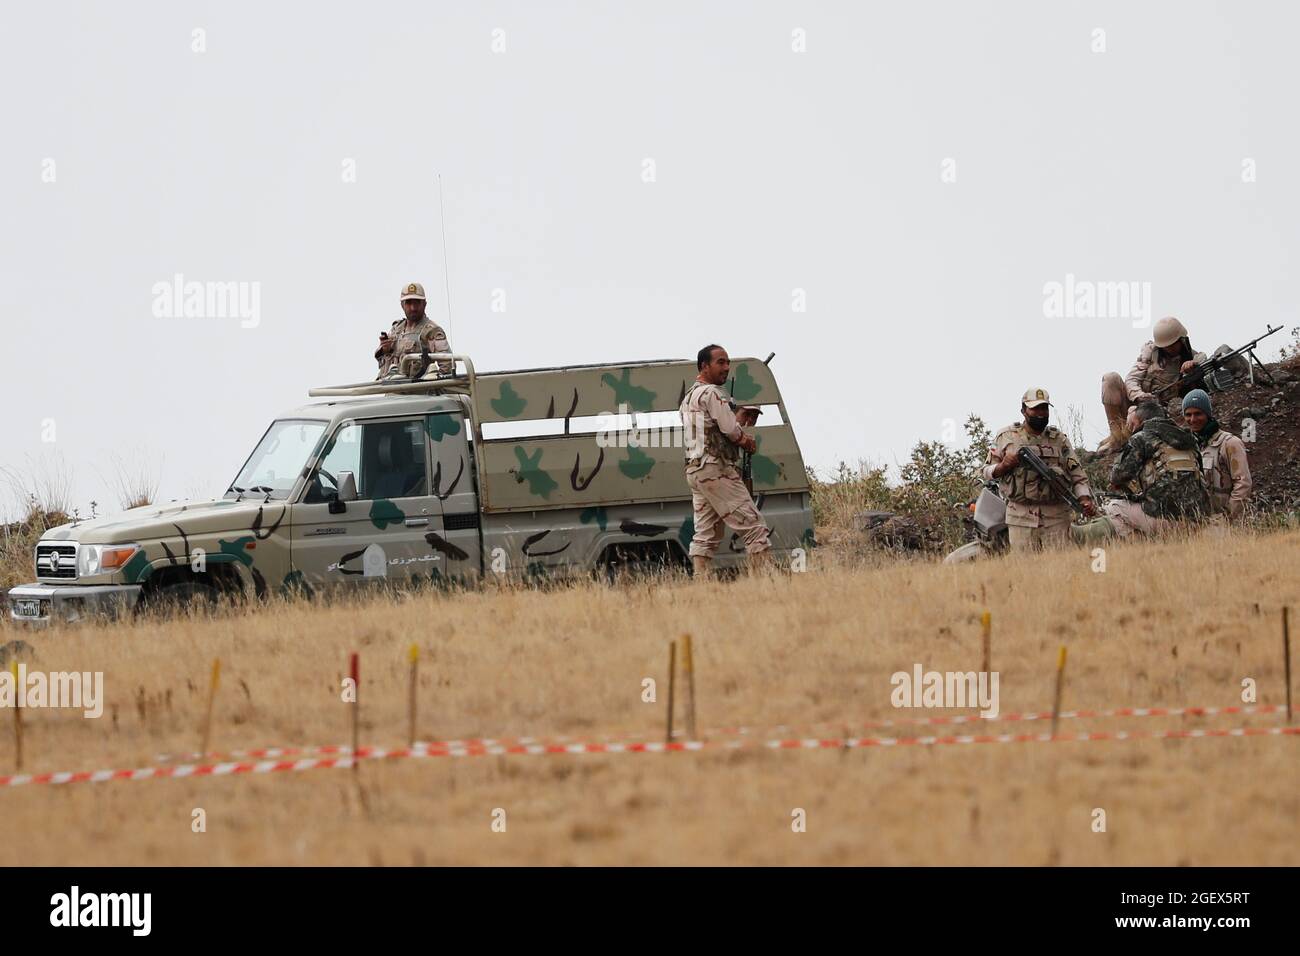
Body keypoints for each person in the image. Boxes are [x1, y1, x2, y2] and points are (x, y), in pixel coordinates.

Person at [679, 345, 772, 576]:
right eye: (720, 362)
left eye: (727, 362)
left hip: (696, 471)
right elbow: (730, 430)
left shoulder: (688, 398)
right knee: (754, 526)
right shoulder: (712, 393)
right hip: (715, 468)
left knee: (705, 534)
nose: (726, 367)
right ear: (704, 366)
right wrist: (747, 441)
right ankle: (765, 582)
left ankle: (702, 585)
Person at [983, 387, 1095, 551]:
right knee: (1025, 571)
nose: (1040, 413)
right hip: (1020, 517)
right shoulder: (1006, 437)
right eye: (1034, 408)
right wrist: (1003, 465)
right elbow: (986, 472)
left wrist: (1085, 498)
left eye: (1044, 408)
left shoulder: (1059, 440)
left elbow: (1078, 475)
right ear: (1023, 410)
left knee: (1061, 568)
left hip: (1056, 517)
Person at [1103, 400, 1210, 535]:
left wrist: (1128, 436)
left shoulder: (1141, 437)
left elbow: (1117, 476)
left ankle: (1143, 551)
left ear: (1138, 420)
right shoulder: (1189, 439)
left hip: (1164, 519)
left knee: (1114, 508)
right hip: (1198, 519)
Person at [1181, 389, 1252, 521]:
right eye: (1188, 414)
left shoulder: (1230, 443)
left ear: (1208, 414)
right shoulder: (1187, 445)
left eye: (1198, 414)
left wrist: (1226, 519)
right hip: (1198, 523)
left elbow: (1243, 485)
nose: (1193, 419)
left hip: (1226, 525)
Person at [375, 282, 453, 379]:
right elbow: (383, 361)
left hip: (418, 391)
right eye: (409, 303)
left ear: (424, 304)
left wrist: (431, 385)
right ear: (402, 305)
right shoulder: (397, 330)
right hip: (393, 389)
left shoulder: (432, 331)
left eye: (417, 302)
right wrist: (386, 350)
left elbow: (447, 365)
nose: (413, 308)